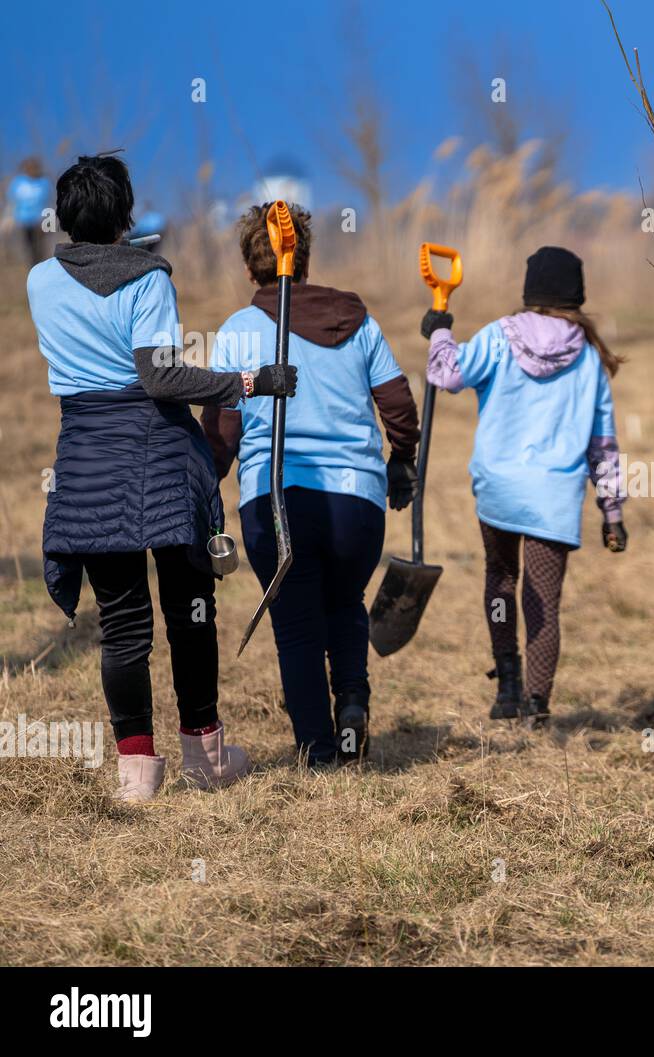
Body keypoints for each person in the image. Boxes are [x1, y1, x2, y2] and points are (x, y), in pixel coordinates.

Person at [27, 153, 295, 802]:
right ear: (125, 215)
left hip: (86, 455)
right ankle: (205, 756)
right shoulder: (147, 278)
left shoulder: (39, 280)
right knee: (190, 611)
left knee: (122, 623)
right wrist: (250, 382)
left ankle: (136, 772)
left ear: (62, 218)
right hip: (158, 454)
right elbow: (160, 376)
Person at [204, 204, 419, 766]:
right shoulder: (358, 322)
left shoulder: (236, 332)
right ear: (303, 260)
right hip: (360, 503)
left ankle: (320, 754)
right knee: (345, 601)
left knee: (298, 626)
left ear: (254, 268)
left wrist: (204, 487)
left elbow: (222, 434)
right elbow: (397, 402)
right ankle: (350, 704)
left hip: (277, 499)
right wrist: (402, 460)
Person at [424, 246, 626, 726]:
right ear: (576, 296)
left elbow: (446, 375)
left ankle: (508, 686)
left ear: (529, 290)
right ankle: (537, 703)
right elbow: (604, 444)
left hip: (499, 489)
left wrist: (440, 333)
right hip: (554, 498)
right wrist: (612, 512)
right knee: (544, 602)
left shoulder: (499, 335)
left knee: (500, 582)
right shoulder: (589, 357)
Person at [8, 157, 51, 265]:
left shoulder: (44, 182)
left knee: (41, 247)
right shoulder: (18, 183)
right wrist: (9, 220)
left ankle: (41, 266)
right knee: (29, 247)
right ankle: (32, 267)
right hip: (24, 221)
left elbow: (49, 203)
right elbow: (12, 202)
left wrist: (49, 222)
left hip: (40, 221)